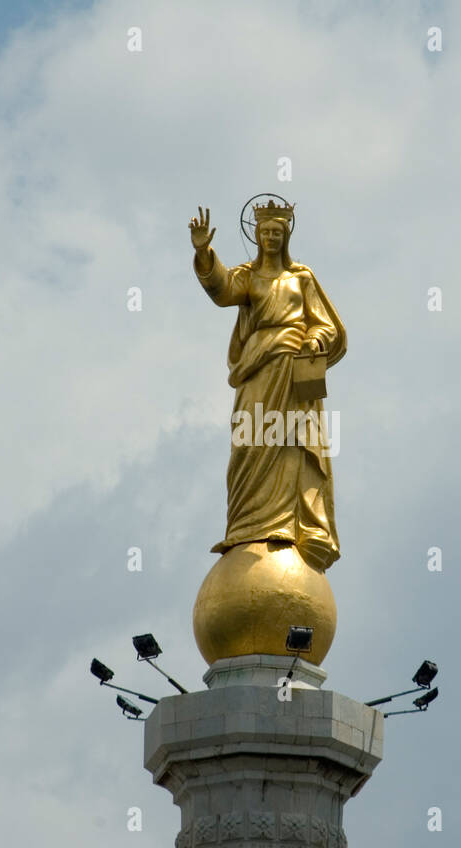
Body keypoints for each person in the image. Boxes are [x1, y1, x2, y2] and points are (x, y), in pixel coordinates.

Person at [188, 202, 347, 571]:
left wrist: (314, 340)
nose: (272, 238)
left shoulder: (301, 278)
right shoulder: (250, 276)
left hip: (292, 369)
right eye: (266, 233)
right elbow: (222, 290)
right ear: (257, 237)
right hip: (256, 369)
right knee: (249, 443)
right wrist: (203, 252)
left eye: (277, 232)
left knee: (289, 443)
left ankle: (287, 525)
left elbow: (327, 326)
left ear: (285, 236)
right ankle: (245, 526)